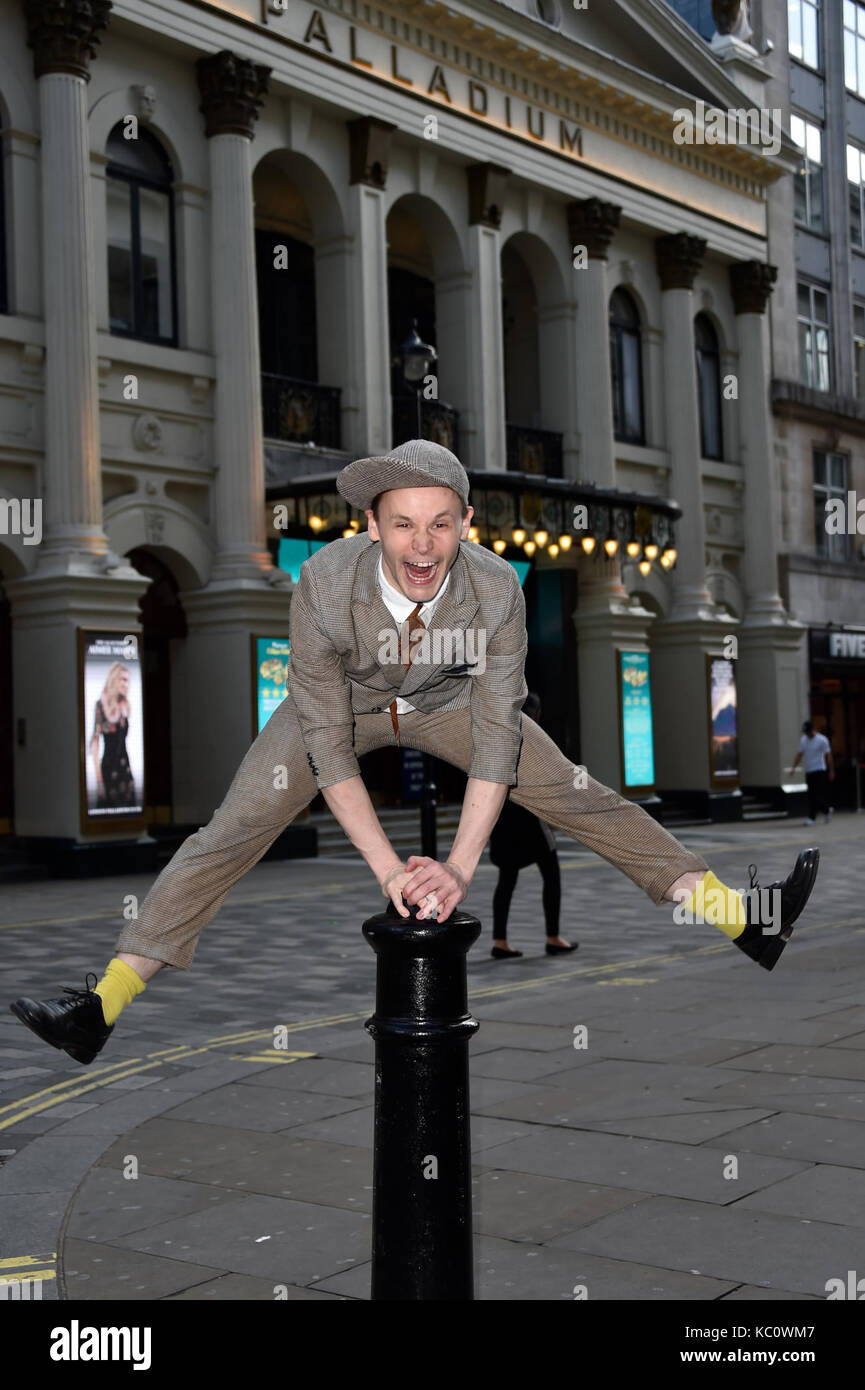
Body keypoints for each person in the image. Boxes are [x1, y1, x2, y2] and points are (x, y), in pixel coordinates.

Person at [10, 441, 820, 1067]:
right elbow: (328, 750)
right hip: (341, 710)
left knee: (578, 791)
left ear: (465, 524)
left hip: (448, 706)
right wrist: (390, 871)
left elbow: (499, 738)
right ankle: (101, 1007)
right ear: (372, 525)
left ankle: (740, 921)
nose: (422, 543)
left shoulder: (496, 588)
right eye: (403, 522)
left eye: (440, 522)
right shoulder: (323, 586)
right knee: (234, 825)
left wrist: (460, 867)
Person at [488, 693, 575, 959]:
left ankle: (500, 940)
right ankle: (553, 936)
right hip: (529, 819)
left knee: (506, 880)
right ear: (536, 714)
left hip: (503, 818)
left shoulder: (500, 736)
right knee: (551, 875)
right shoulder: (534, 739)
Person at [90, 662, 135, 810]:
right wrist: (99, 781)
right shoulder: (101, 706)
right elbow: (95, 744)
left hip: (125, 771)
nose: (126, 684)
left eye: (127, 680)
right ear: (114, 680)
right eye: (123, 679)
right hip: (109, 770)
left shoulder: (124, 706)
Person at [791, 720, 834, 826]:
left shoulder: (822, 740)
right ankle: (827, 810)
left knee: (817, 795)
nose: (807, 734)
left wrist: (831, 770)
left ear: (812, 730)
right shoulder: (803, 740)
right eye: (805, 732)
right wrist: (794, 768)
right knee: (811, 795)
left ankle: (811, 817)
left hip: (820, 770)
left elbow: (828, 755)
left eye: (808, 731)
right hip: (809, 771)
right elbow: (800, 754)